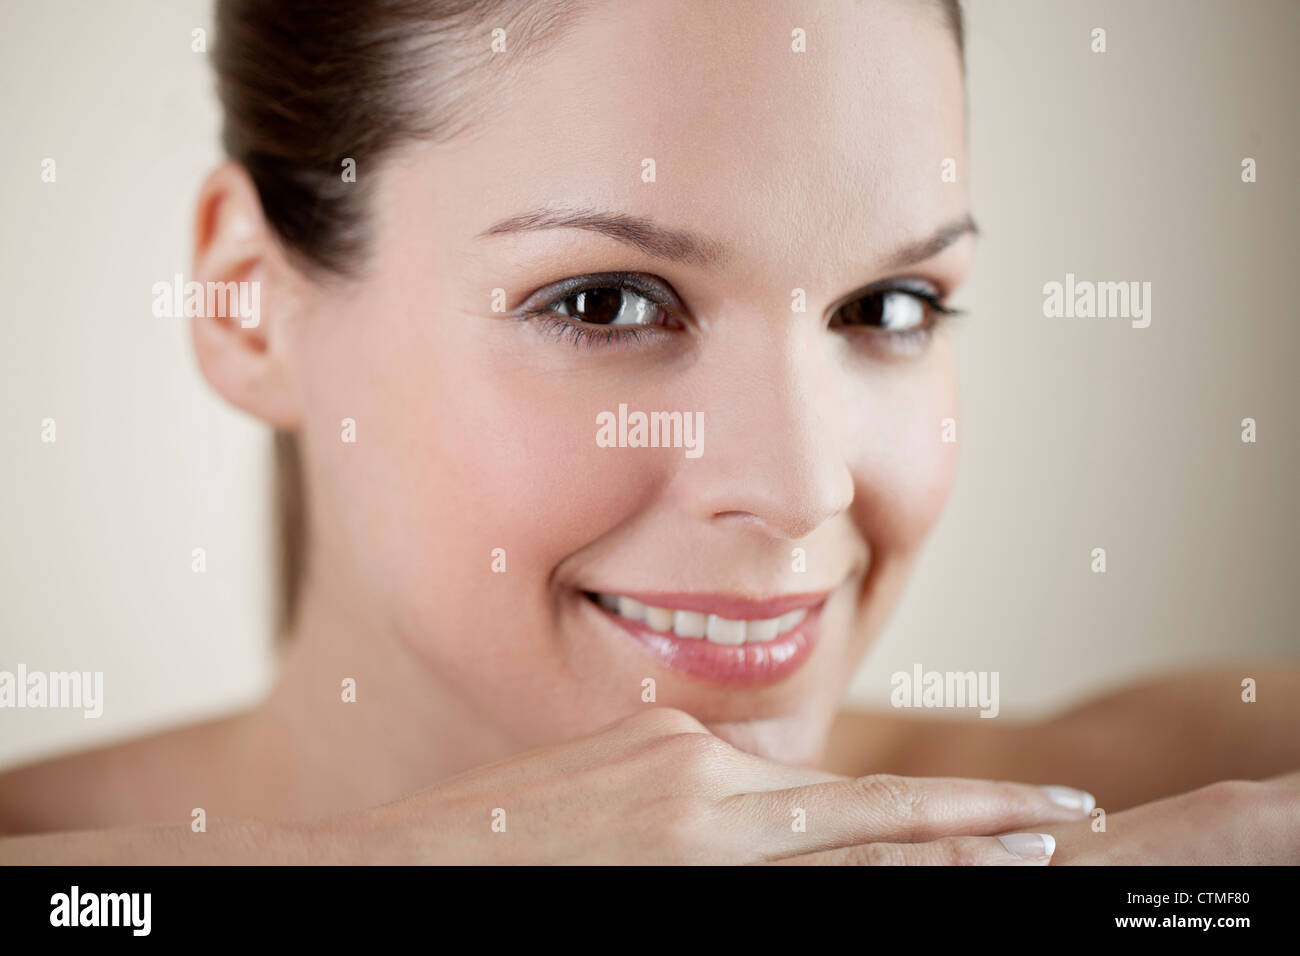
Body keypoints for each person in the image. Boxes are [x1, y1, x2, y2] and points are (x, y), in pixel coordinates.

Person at [2, 0, 1296, 865]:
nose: (800, 489)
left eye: (888, 306)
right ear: (250, 310)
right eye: (607, 303)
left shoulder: (1187, 810)